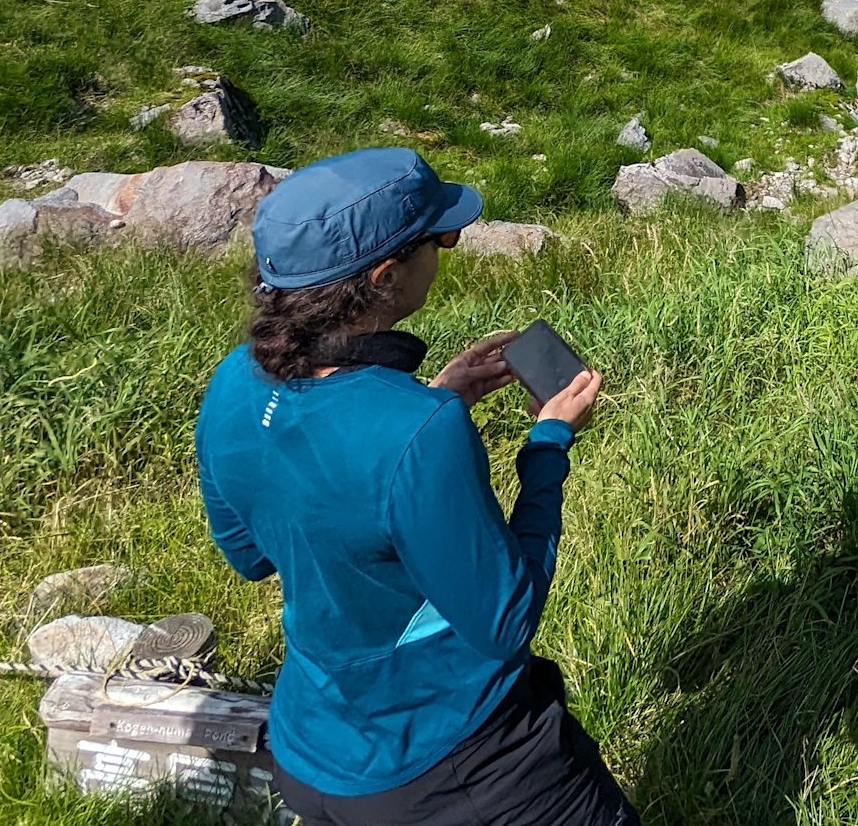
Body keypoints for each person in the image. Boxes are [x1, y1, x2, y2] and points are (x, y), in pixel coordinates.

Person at [194, 146, 628, 826]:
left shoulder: (232, 381)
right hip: (461, 767)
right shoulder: (421, 432)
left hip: (313, 753)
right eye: (442, 237)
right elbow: (506, 621)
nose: (448, 249)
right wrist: (548, 445)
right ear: (386, 275)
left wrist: (433, 393)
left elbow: (251, 553)